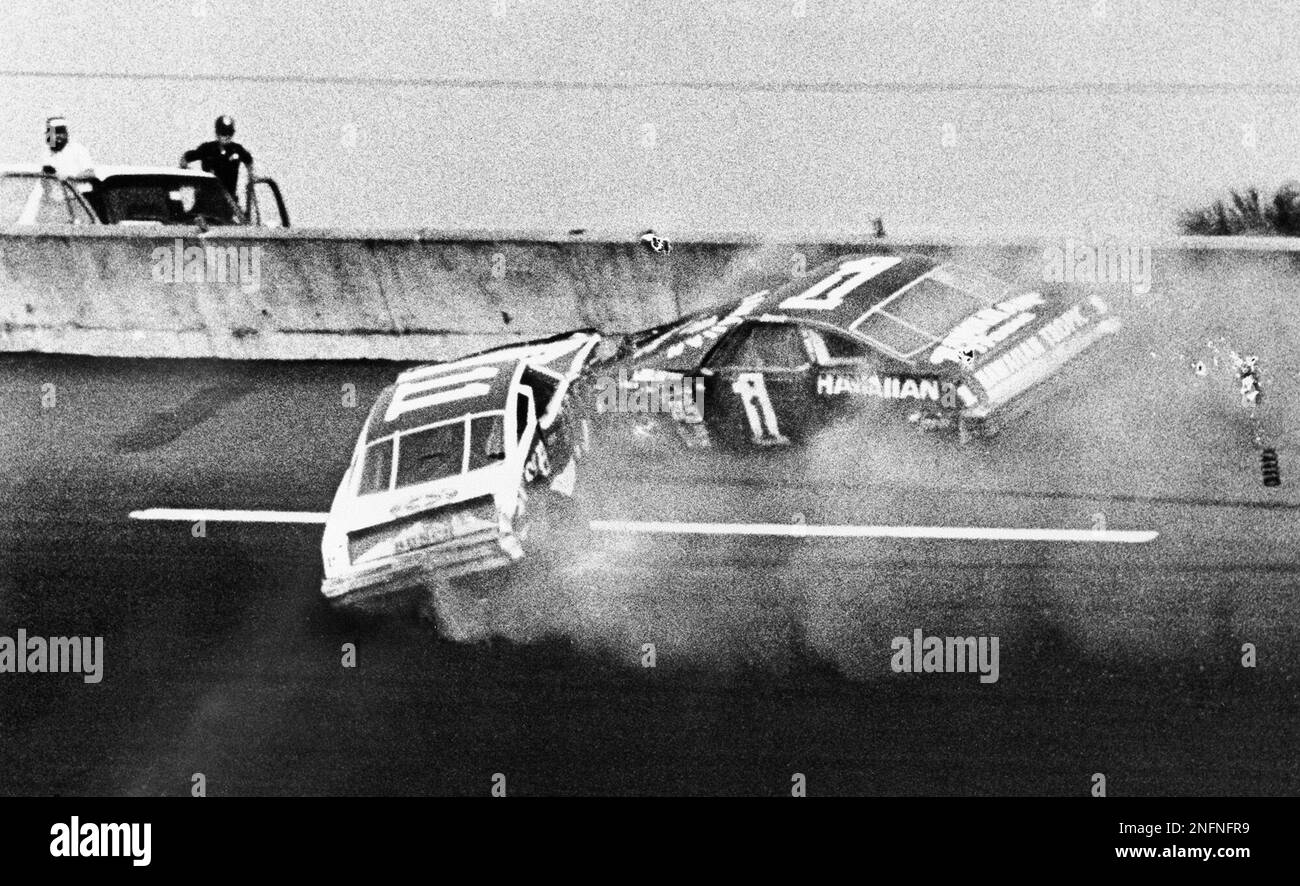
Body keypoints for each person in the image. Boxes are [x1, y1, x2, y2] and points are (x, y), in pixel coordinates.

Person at [180, 115, 254, 199]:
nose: (226, 136)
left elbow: (249, 161)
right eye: (223, 133)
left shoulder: (237, 149)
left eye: (229, 133)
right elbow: (186, 158)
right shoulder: (207, 148)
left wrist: (250, 179)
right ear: (217, 133)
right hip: (207, 199)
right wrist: (188, 177)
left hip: (228, 200)